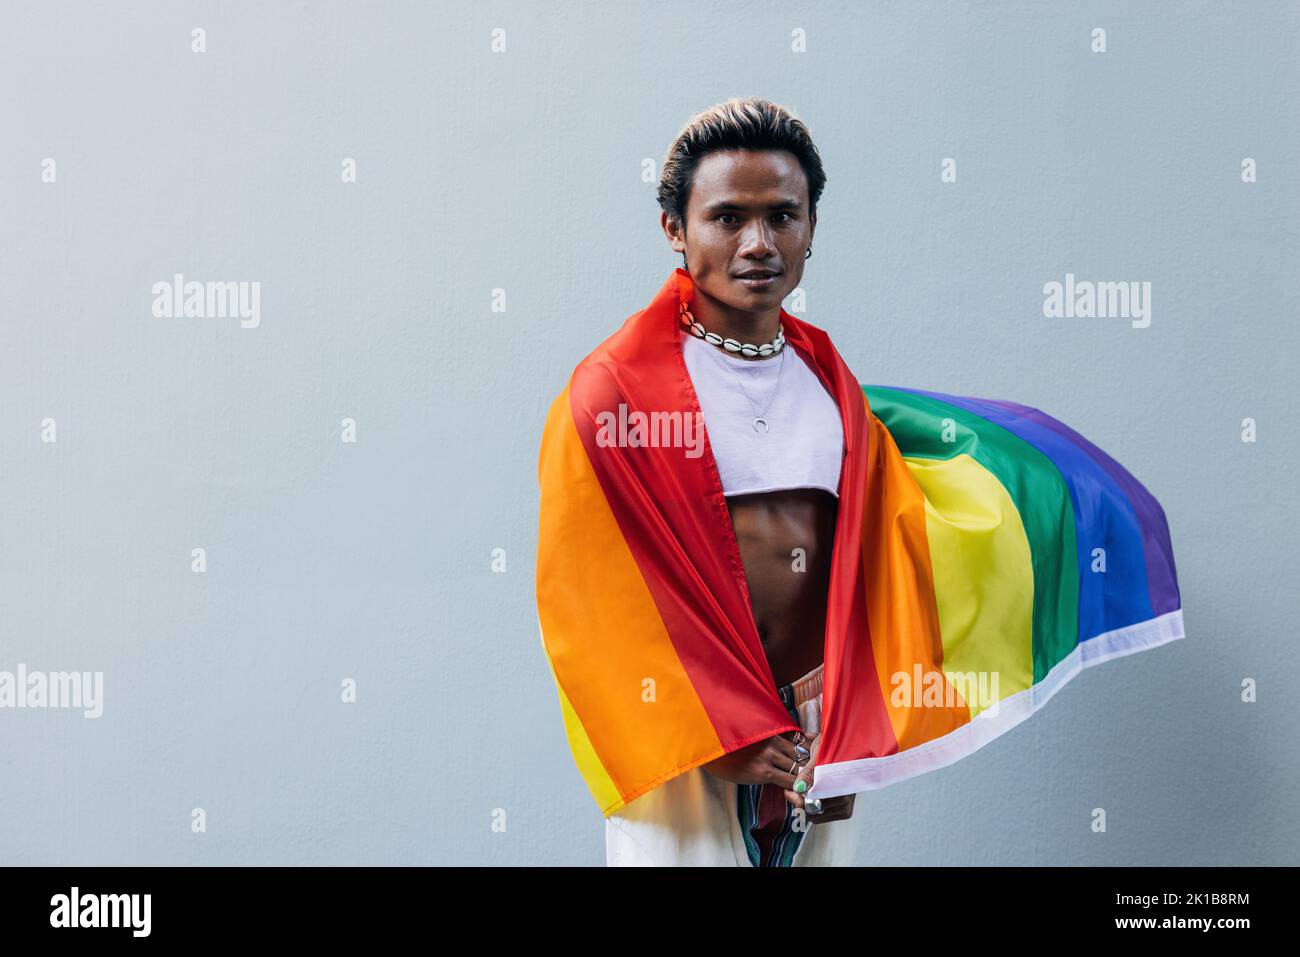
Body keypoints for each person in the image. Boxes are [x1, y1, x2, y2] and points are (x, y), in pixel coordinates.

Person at [599, 97, 865, 866]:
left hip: (816, 736)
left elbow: (876, 553)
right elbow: (593, 596)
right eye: (728, 218)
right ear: (674, 229)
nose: (759, 243)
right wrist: (706, 727)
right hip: (686, 743)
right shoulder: (617, 390)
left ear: (812, 226)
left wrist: (854, 712)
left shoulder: (832, 383)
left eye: (784, 216)